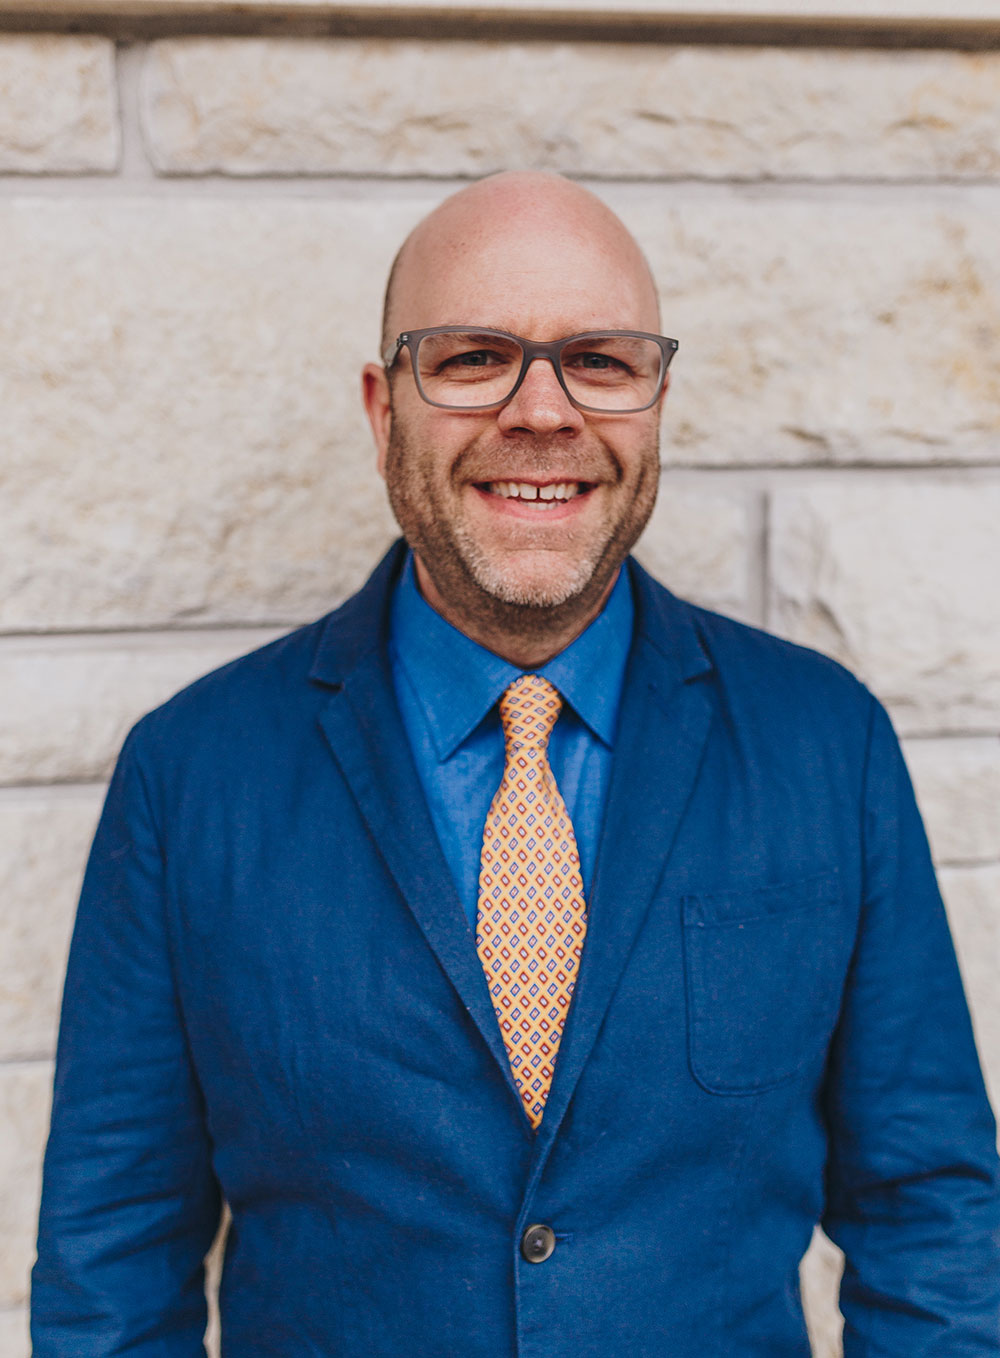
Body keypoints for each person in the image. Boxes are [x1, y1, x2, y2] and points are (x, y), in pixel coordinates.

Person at [32, 172, 999, 1356]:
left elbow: (931, 1212)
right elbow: (112, 1259)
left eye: (600, 359)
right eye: (474, 355)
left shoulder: (823, 741)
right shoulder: (190, 777)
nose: (542, 411)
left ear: (655, 400)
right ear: (384, 409)